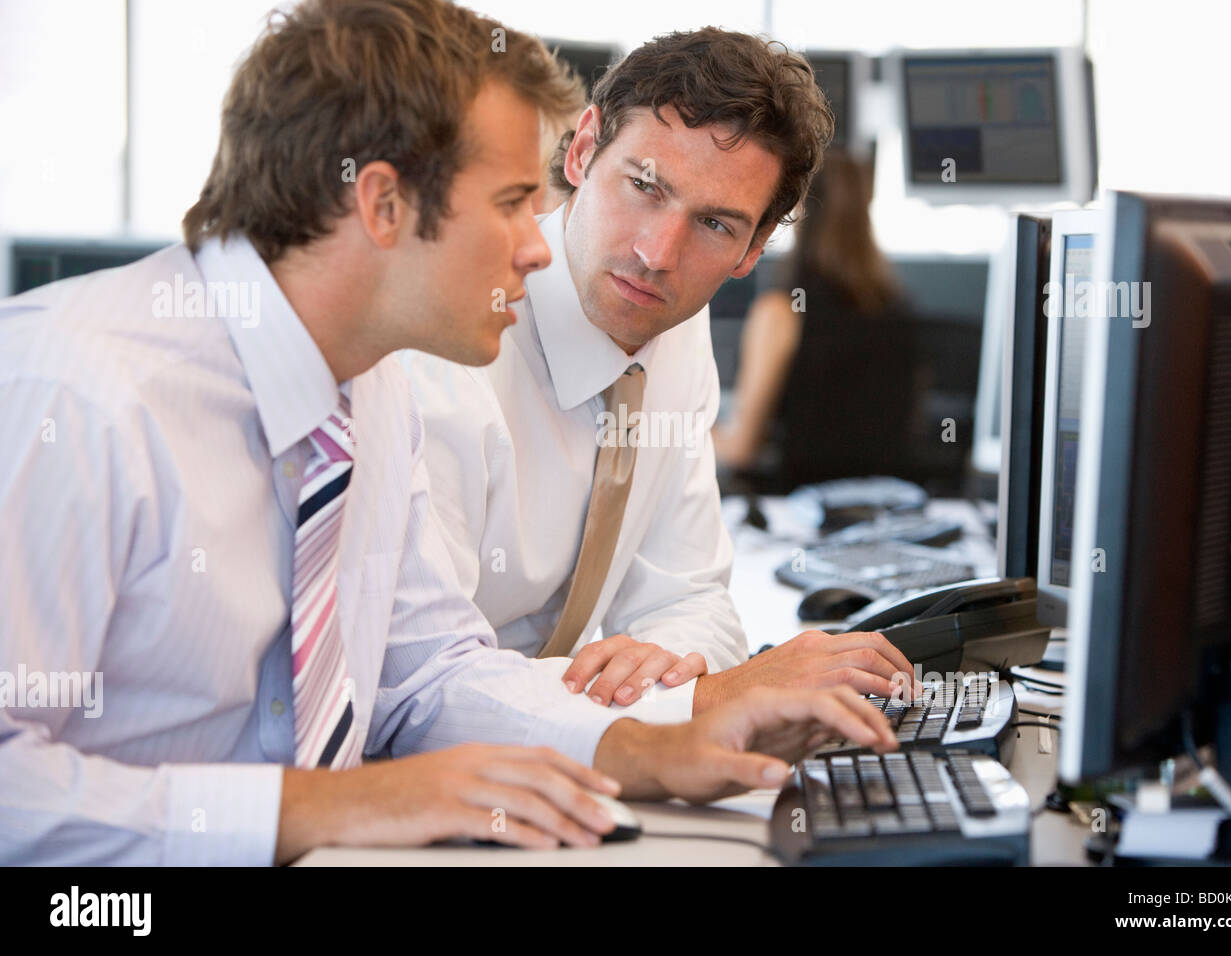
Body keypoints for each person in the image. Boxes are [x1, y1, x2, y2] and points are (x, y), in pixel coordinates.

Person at [0, 0, 898, 866]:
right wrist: (333, 805)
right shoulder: (71, 389)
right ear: (384, 204)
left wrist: (653, 747)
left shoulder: (365, 393)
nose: (538, 243)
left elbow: (429, 678)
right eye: (513, 200)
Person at [404, 30, 920, 718]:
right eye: (644, 186)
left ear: (752, 249)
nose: (656, 253)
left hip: (569, 745)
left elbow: (694, 599)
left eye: (713, 224)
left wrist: (667, 660)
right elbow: (420, 685)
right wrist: (702, 703)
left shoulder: (672, 320)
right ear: (584, 149)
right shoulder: (450, 337)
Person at [713, 149, 922, 492]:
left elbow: (741, 450)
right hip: (878, 506)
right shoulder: (898, 308)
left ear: (797, 210)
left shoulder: (781, 310)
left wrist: (677, 427)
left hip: (795, 510)